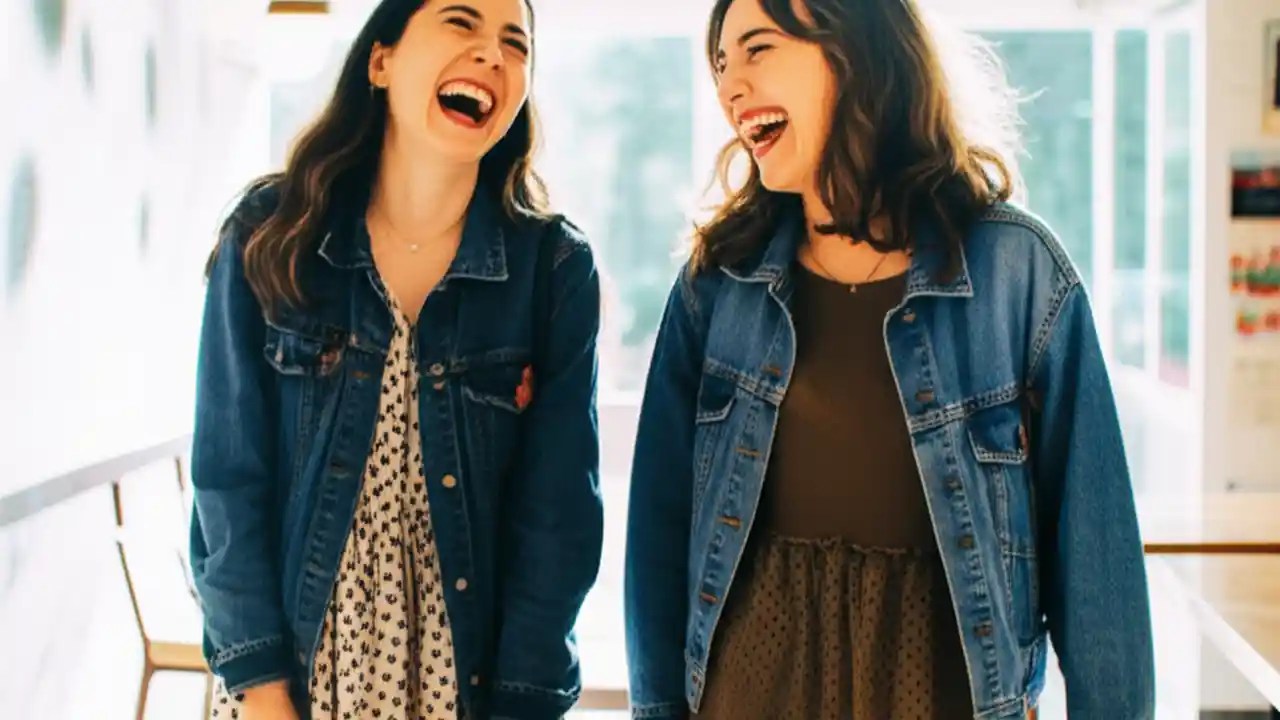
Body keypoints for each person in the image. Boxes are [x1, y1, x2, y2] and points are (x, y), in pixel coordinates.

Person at [624, 0, 1154, 718]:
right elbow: (657, 540)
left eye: (757, 49)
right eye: (720, 64)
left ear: (858, 48)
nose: (728, 86)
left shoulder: (1017, 273)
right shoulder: (716, 284)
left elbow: (1098, 563)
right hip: (747, 692)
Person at [190, 1, 603, 718]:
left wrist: (526, 702)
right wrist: (260, 689)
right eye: (461, 23)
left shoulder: (554, 269)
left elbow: (558, 516)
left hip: (467, 688)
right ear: (381, 61)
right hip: (292, 680)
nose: (493, 54)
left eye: (516, 44)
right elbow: (228, 480)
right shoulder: (270, 234)